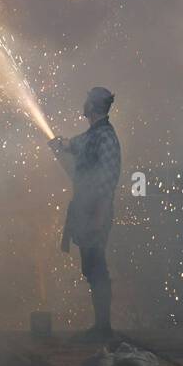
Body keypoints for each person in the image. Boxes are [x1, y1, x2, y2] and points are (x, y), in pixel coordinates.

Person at [49, 87, 121, 341]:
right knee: (91, 267)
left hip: (95, 211)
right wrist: (60, 144)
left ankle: (103, 328)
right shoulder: (95, 135)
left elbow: (107, 181)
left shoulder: (106, 138)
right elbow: (73, 145)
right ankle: (100, 328)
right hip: (86, 209)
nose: (83, 103)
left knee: (97, 266)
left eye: (85, 99)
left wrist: (99, 215)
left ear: (91, 105)